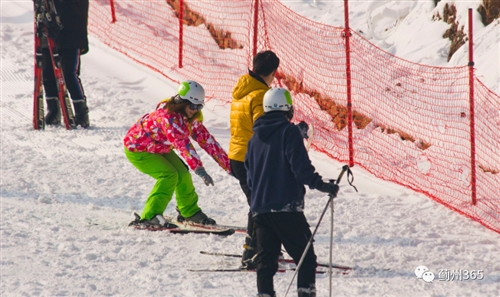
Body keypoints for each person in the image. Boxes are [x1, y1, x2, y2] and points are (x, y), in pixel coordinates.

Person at [245, 88, 339, 297]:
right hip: (286, 208)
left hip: (260, 210)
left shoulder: (253, 140)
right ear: (288, 109)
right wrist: (322, 185)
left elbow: (250, 179)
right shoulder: (289, 132)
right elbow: (300, 169)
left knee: (266, 263)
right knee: (305, 259)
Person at [124, 80, 232, 226]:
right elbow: (184, 145)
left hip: (159, 147)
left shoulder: (190, 118)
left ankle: (189, 211)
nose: (195, 109)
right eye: (193, 105)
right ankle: (150, 216)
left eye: (199, 106)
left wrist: (230, 167)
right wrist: (199, 169)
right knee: (169, 175)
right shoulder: (168, 119)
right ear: (181, 102)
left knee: (182, 173)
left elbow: (208, 141)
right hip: (137, 148)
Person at [229, 50, 280, 269]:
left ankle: (258, 247)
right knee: (260, 206)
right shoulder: (260, 95)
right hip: (252, 158)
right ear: (273, 72)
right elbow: (263, 127)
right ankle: (254, 253)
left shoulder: (242, 90)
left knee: (258, 204)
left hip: (237, 156)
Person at [41, 0, 90, 128]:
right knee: (48, 72)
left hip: (71, 32)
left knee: (69, 73)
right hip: (48, 28)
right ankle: (53, 111)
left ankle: (81, 113)